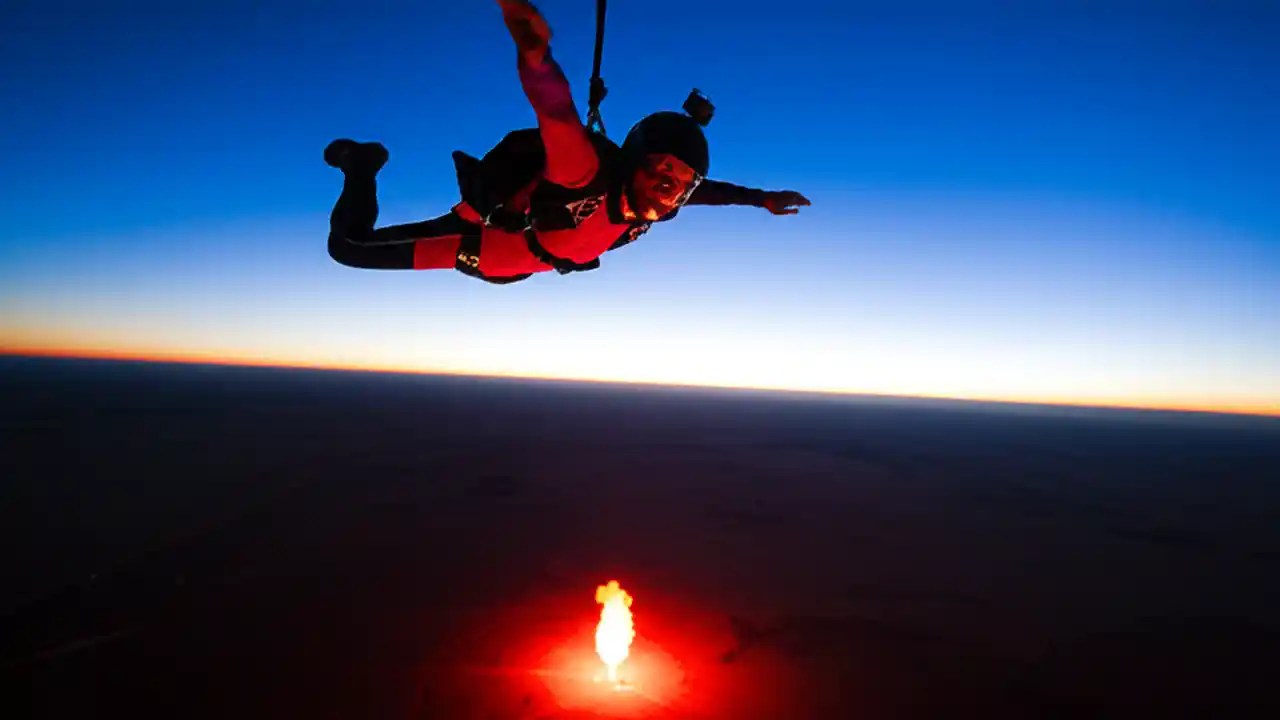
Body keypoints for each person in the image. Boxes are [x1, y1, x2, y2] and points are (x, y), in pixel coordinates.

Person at [325, 0, 811, 284]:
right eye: (664, 170)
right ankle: (362, 166)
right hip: (483, 242)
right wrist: (535, 56)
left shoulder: (654, 203)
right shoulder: (585, 171)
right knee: (349, 248)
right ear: (634, 161)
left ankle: (363, 167)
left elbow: (709, 191)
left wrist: (759, 199)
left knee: (355, 250)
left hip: (515, 260)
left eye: (680, 184)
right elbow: (556, 113)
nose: (670, 189)